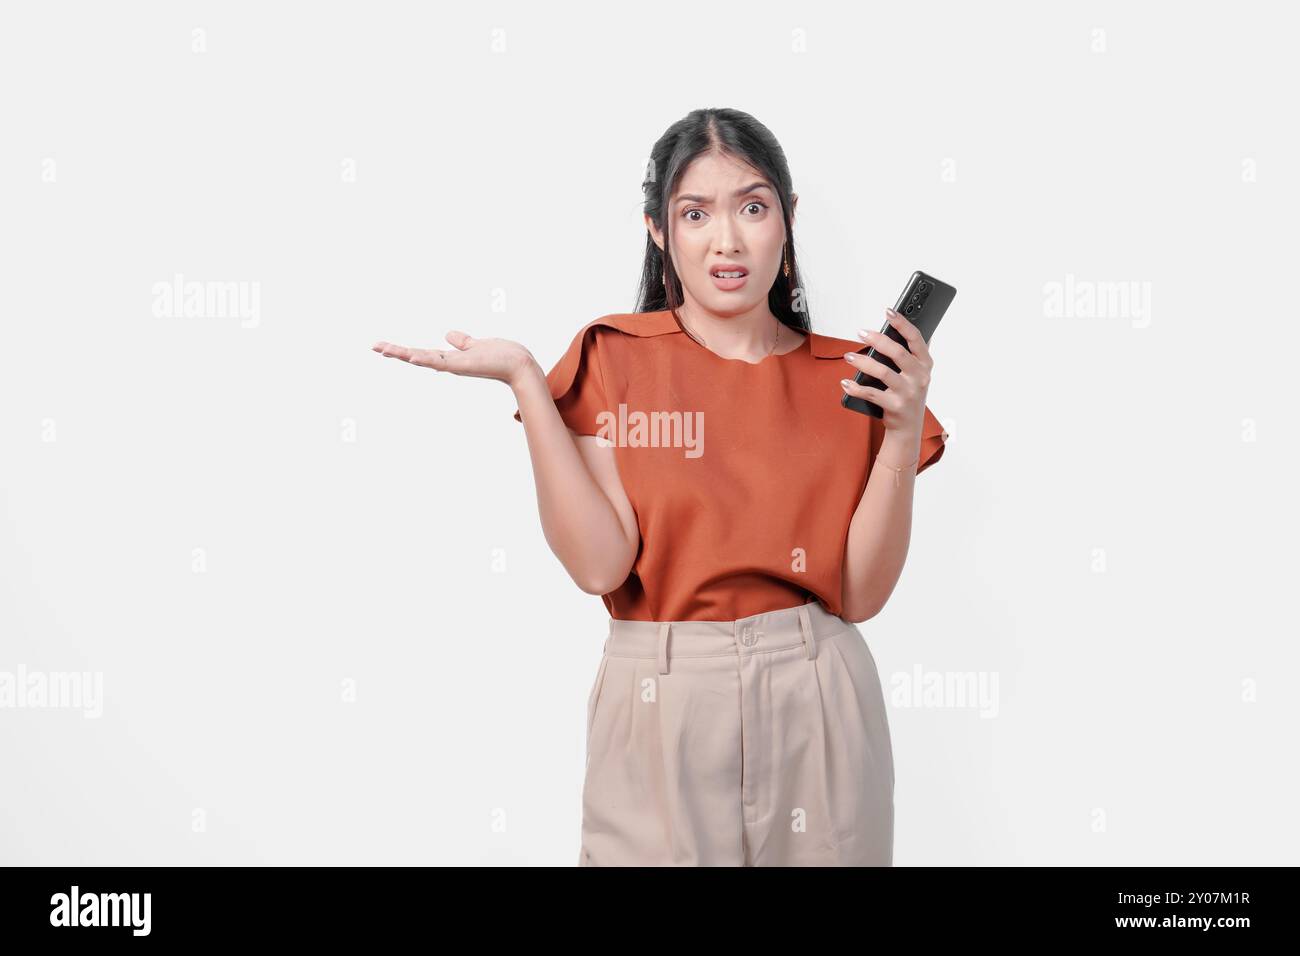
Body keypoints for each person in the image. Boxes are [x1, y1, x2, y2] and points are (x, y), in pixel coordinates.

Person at [371, 107, 949, 866]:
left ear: (788, 216)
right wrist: (526, 382)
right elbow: (599, 567)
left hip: (819, 689)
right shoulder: (613, 357)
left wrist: (901, 429)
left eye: (752, 206)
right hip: (664, 690)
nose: (727, 240)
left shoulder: (857, 378)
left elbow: (864, 595)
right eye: (695, 213)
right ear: (658, 230)